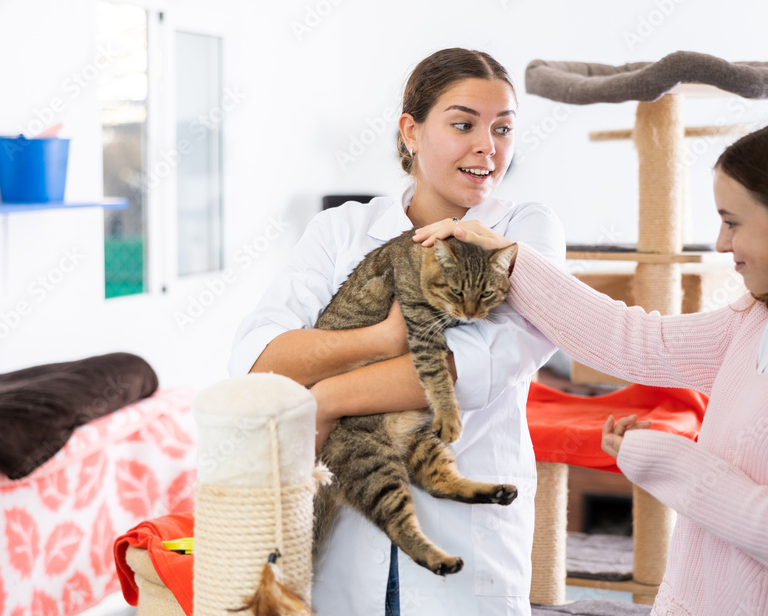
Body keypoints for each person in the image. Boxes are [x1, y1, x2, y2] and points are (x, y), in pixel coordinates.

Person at [414, 116, 768, 616]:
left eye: (732, 222)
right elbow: (633, 341)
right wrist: (512, 257)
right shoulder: (758, 320)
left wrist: (668, 460)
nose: (721, 244)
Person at [228, 48, 565, 616]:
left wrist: (326, 395)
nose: (489, 146)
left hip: (462, 547)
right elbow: (259, 364)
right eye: (464, 124)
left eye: (503, 129)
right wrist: (381, 340)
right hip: (341, 549)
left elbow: (471, 367)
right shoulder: (341, 229)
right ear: (410, 131)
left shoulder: (524, 229)